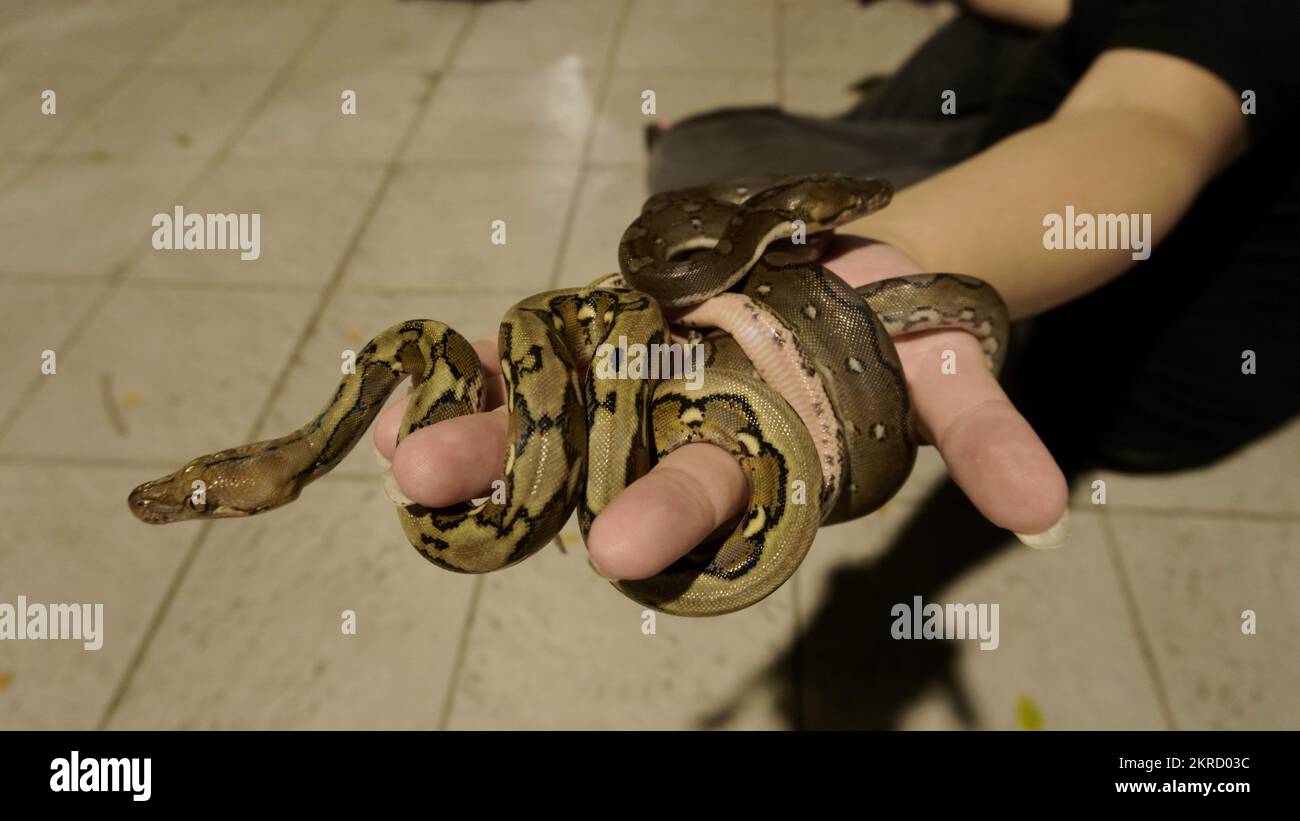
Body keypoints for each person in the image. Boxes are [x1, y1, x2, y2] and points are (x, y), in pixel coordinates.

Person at [375, 0, 1299, 582]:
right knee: (714, 153)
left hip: (1129, 364)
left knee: (702, 163)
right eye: (845, 215)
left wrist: (903, 247)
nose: (858, 212)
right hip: (1044, 106)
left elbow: (1143, 128)